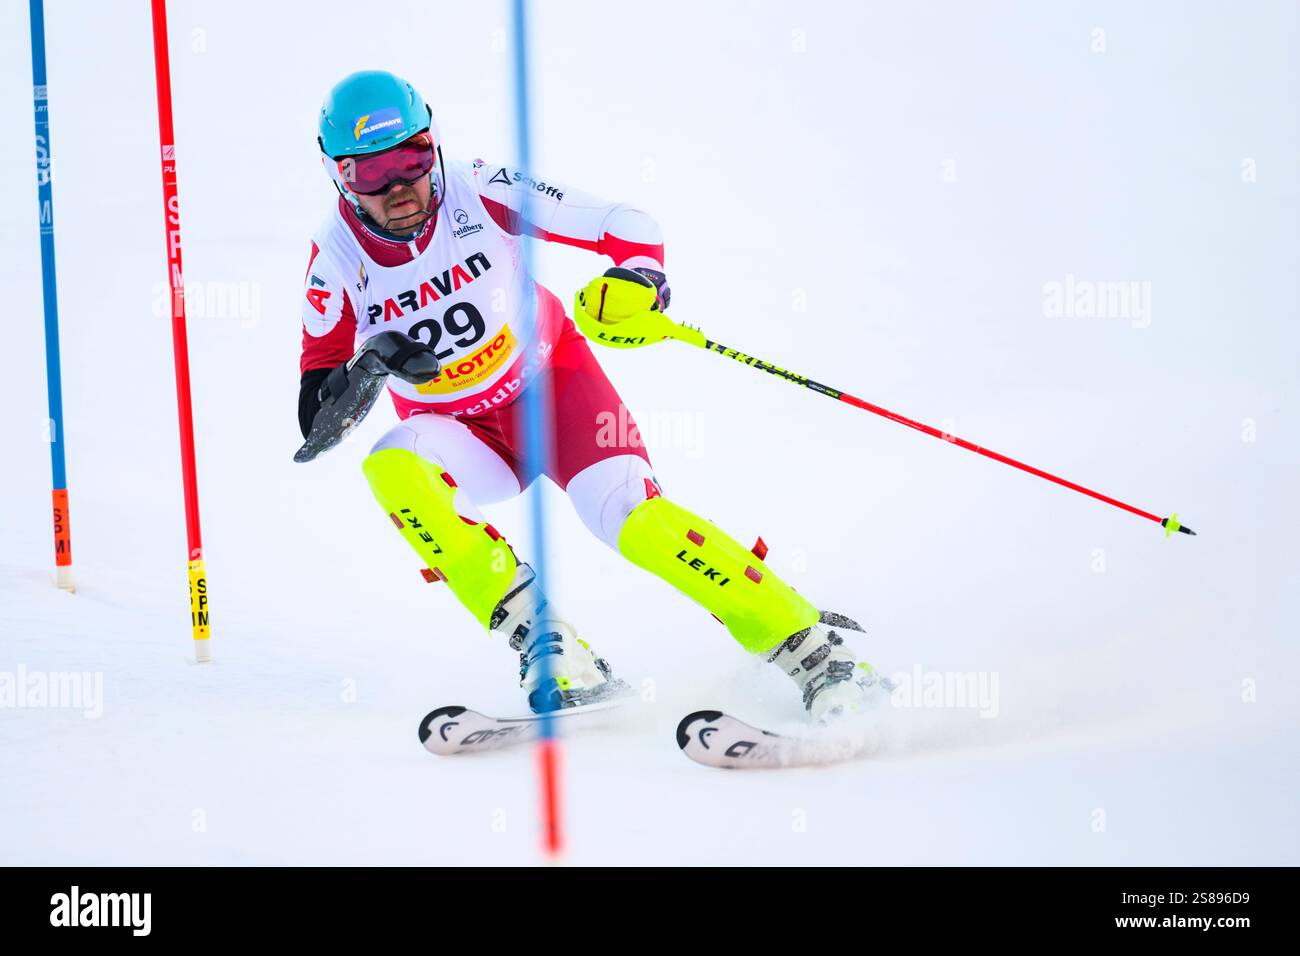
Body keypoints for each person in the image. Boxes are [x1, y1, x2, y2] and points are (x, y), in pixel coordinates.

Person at [296, 70, 888, 720]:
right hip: (461, 433)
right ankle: (551, 647)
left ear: (433, 143)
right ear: (337, 177)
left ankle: (815, 649)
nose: (399, 187)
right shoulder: (335, 261)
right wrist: (372, 364)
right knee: (391, 469)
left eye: (411, 158)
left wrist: (638, 280)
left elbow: (623, 222)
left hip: (557, 389)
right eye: (369, 175)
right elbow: (316, 420)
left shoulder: (479, 189)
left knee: (638, 523)